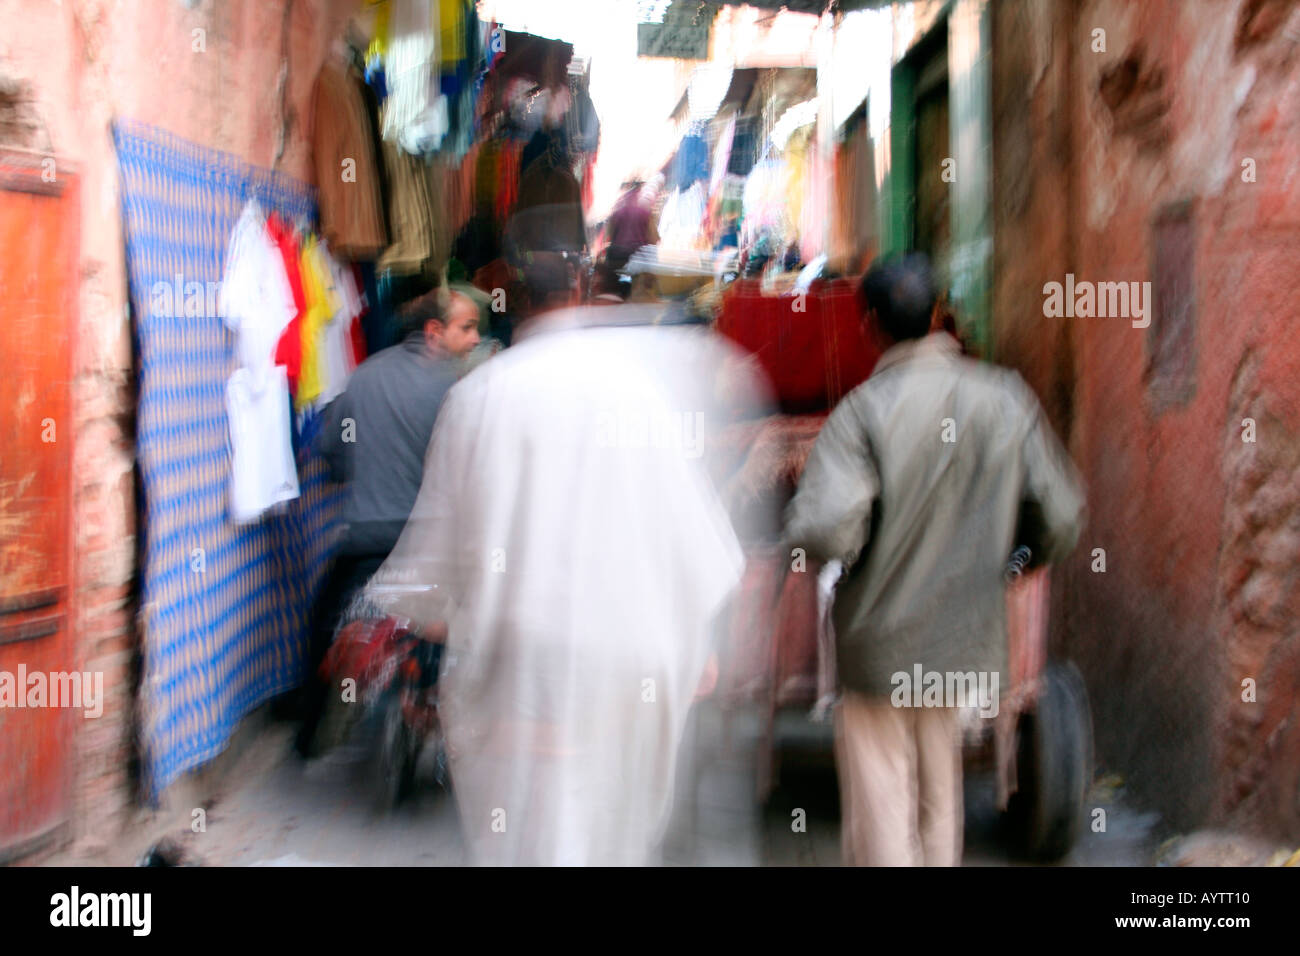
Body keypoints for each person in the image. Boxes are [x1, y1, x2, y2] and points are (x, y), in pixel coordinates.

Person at [364, 263, 763, 865]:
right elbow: (691, 539)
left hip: (522, 678)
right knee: (607, 839)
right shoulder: (639, 390)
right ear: (578, 289)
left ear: (514, 302)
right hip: (627, 672)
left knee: (533, 839)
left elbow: (431, 577)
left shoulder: (477, 400)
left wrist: (436, 630)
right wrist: (698, 645)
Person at [784, 254, 1085, 866]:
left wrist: (854, 547)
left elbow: (823, 531)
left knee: (883, 803)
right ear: (938, 315)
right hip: (964, 641)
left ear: (868, 324)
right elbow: (1061, 515)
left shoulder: (861, 415)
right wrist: (1016, 559)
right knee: (938, 796)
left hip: (878, 648)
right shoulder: (1005, 398)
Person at [295, 286, 479, 756]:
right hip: (431, 549)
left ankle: (310, 731)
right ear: (434, 332)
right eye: (467, 328)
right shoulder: (459, 392)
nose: (476, 339)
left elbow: (332, 451)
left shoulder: (363, 377)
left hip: (365, 539)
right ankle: (450, 711)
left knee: (326, 624)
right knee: (467, 622)